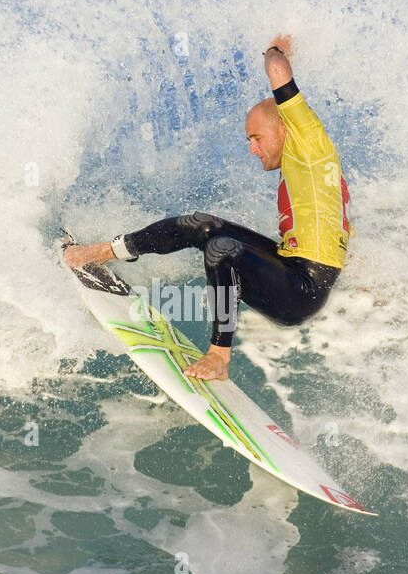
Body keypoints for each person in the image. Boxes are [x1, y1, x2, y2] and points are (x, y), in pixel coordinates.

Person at [64, 34, 352, 381]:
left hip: (301, 290)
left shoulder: (307, 138)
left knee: (221, 249)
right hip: (290, 265)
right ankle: (103, 252)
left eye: (256, 138)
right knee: (202, 225)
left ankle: (219, 357)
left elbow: (277, 69)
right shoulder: (310, 164)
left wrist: (277, 49)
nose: (252, 149)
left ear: (284, 129)